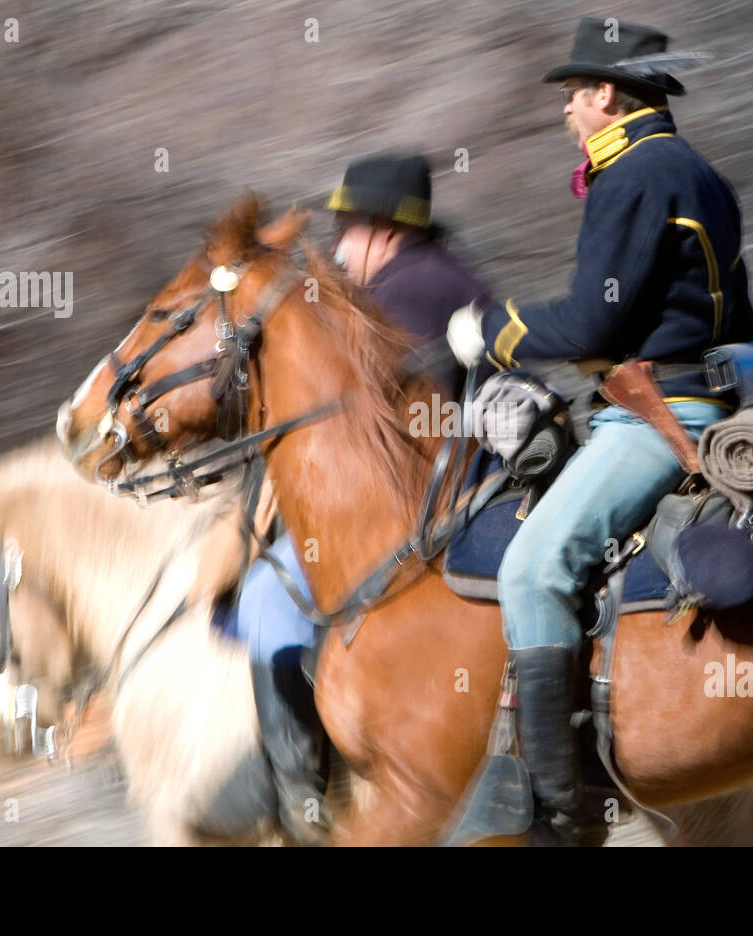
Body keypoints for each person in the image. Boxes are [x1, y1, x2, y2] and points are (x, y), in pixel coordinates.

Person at [446, 16, 753, 842]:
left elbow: (592, 326)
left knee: (532, 568)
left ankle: (560, 813)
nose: (566, 112)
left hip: (655, 416)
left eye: (574, 94)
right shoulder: (700, 173)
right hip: (714, 398)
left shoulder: (636, 173)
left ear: (608, 94)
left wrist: (496, 330)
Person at [230, 153, 487, 843]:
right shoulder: (449, 274)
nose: (340, 250)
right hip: (466, 489)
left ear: (382, 229)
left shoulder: (402, 293)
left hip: (424, 507)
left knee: (264, 594)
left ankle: (299, 794)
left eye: (346, 231)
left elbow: (374, 436)